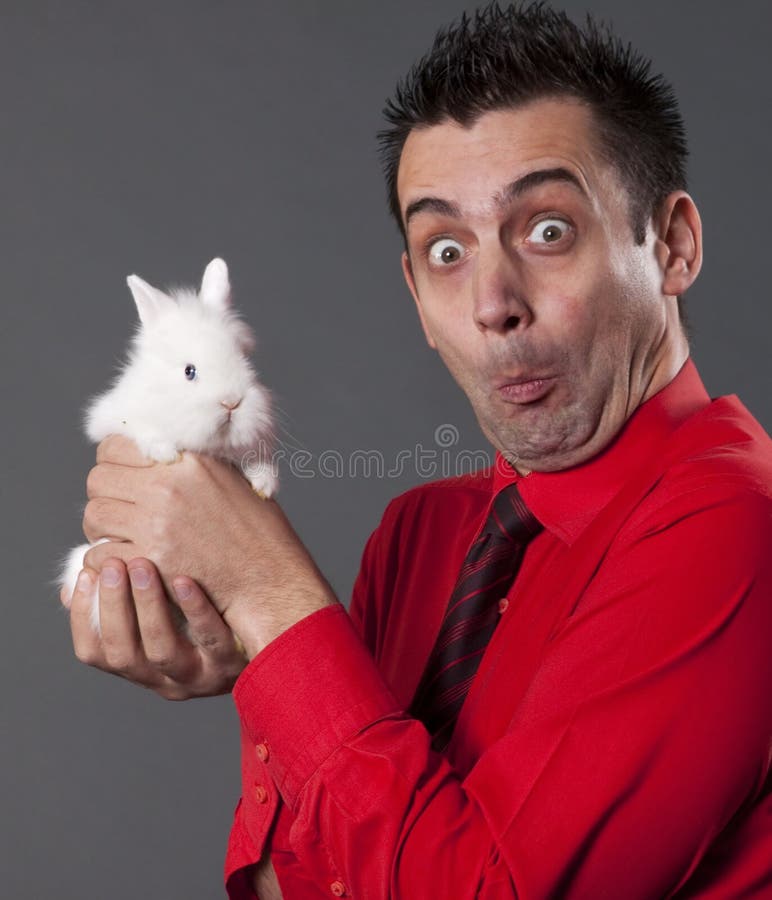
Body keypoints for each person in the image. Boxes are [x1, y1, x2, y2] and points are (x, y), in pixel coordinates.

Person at [64, 2, 772, 897]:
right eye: (446, 249)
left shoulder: (737, 526)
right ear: (413, 290)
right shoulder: (420, 535)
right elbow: (296, 880)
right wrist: (248, 639)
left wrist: (269, 593)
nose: (492, 302)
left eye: (547, 230)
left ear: (671, 246)